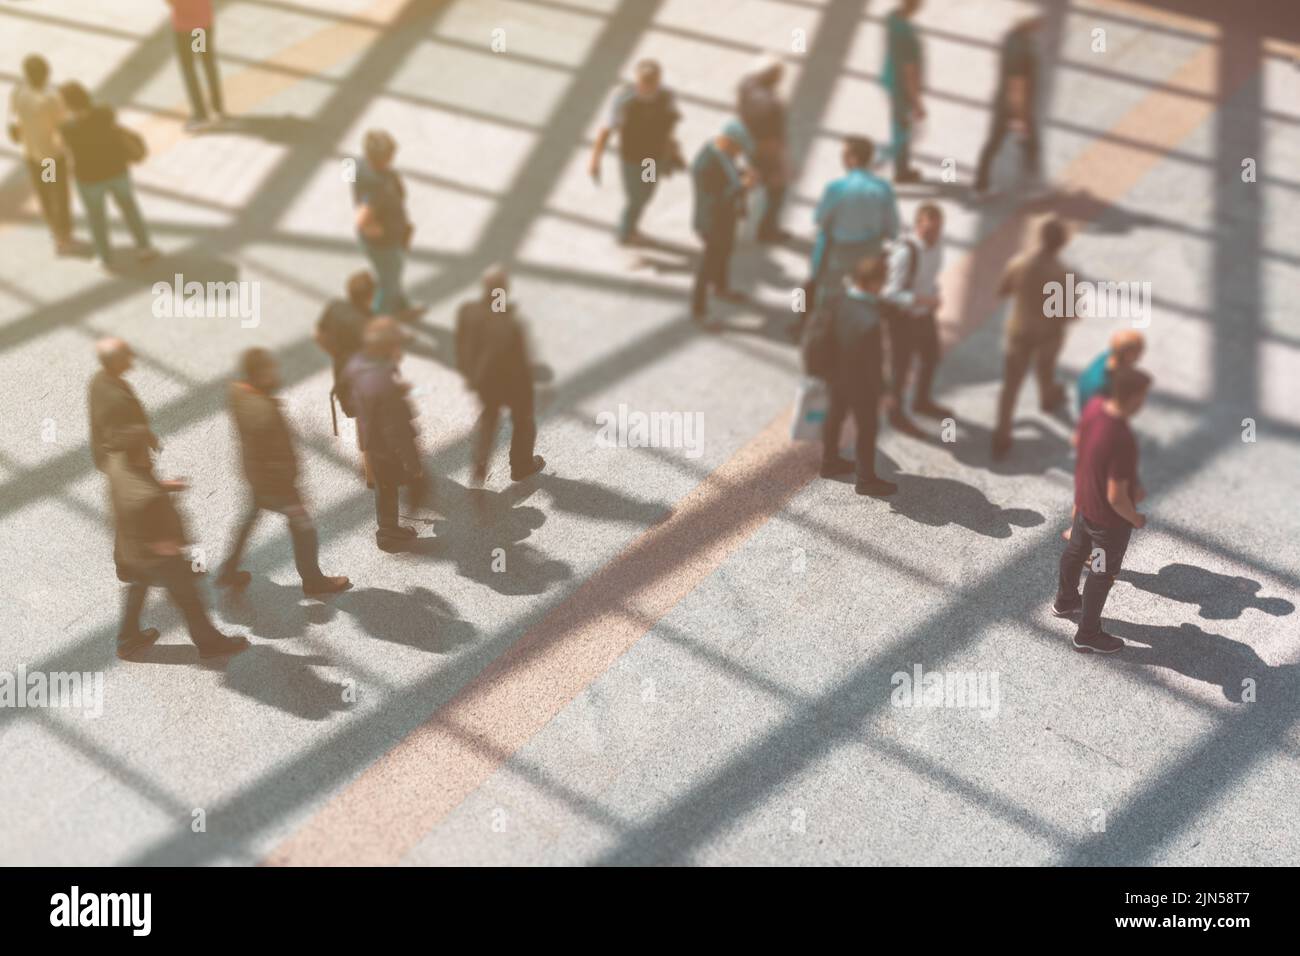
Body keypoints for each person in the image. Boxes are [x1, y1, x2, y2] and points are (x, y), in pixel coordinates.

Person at [216, 349, 351, 597]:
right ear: (259, 374)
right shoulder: (266, 411)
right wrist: (292, 490)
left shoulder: (235, 391)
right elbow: (280, 457)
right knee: (304, 528)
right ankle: (313, 581)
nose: (275, 374)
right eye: (270, 370)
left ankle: (229, 568)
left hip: (253, 473)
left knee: (249, 518)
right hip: (277, 486)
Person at [108, 425, 248, 661]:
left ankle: (127, 638)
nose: (151, 455)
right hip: (157, 558)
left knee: (138, 585)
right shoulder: (149, 498)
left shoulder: (117, 465)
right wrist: (181, 555)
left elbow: (134, 493)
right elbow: (162, 542)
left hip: (128, 548)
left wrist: (164, 487)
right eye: (147, 451)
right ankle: (209, 643)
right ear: (138, 452)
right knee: (189, 599)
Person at [1053, 367, 1152, 654]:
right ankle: (1087, 633)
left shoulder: (1095, 407)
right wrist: (1135, 518)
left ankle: (1065, 600)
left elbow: (1078, 443)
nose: (1143, 403)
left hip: (1085, 503)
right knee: (1100, 573)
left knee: (1075, 551)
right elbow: (1116, 496)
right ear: (1132, 397)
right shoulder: (1122, 437)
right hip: (1108, 524)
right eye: (1143, 397)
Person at [991, 216, 1074, 459]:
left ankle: (1002, 432)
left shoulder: (1019, 263)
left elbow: (1003, 290)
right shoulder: (1063, 274)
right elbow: (1070, 314)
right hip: (1048, 334)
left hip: (1020, 331)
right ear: (1062, 243)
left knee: (1011, 384)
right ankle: (1048, 398)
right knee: (1045, 369)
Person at [455, 265, 546, 484]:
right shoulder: (508, 325)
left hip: (484, 381)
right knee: (523, 420)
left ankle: (480, 463)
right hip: (513, 383)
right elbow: (519, 359)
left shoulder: (468, 311)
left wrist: (469, 374)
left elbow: (461, 346)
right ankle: (521, 465)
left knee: (489, 417)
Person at [820, 256, 898, 497]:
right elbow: (873, 364)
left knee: (835, 416)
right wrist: (884, 392)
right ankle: (865, 480)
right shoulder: (870, 320)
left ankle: (829, 462)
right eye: (881, 282)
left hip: (834, 373)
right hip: (861, 384)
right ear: (872, 283)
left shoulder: (836, 300)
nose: (882, 287)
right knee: (867, 428)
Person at [58, 81, 157, 270]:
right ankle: (145, 247)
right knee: (129, 208)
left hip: (89, 179)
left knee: (96, 217)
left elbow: (63, 151)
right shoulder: (105, 113)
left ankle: (105, 257)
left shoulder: (67, 128)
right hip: (117, 171)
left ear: (68, 105)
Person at [344, 317, 423, 549]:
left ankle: (388, 529)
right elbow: (398, 432)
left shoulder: (358, 364)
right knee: (388, 486)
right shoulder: (383, 384)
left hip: (371, 435)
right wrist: (413, 464)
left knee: (383, 485)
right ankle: (388, 534)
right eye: (397, 344)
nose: (401, 350)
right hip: (385, 446)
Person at [588, 59, 682, 246]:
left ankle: (631, 227)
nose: (647, 86)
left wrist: (672, 150)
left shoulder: (667, 97)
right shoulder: (625, 101)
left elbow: (669, 126)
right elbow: (607, 130)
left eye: (652, 81)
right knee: (635, 196)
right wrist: (595, 160)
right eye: (643, 82)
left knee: (646, 193)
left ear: (658, 80)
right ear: (637, 81)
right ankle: (625, 232)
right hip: (631, 158)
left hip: (651, 158)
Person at [89, 338, 159, 583]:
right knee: (147, 507)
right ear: (116, 361)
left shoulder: (100, 380)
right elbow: (115, 437)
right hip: (128, 462)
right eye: (127, 355)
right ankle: (145, 561)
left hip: (123, 460)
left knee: (132, 511)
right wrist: (143, 433)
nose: (132, 358)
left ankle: (126, 564)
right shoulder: (112, 396)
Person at [808, 137, 900, 314]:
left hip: (841, 250)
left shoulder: (836, 188)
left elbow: (819, 219)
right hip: (871, 248)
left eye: (844, 155)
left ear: (853, 159)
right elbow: (892, 227)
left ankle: (825, 327)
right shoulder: (883, 188)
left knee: (829, 293)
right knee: (867, 295)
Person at [882, 202, 951, 432]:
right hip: (904, 317)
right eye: (928, 229)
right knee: (900, 368)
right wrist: (922, 300)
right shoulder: (905, 252)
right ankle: (895, 414)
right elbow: (890, 293)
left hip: (924, 314)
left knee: (931, 357)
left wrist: (933, 295)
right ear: (918, 225)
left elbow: (929, 278)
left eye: (937, 229)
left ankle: (921, 401)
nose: (933, 234)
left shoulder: (938, 246)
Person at [6, 55, 73, 253]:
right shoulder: (51, 98)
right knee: (57, 193)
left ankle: (55, 230)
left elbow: (13, 121)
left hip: (31, 154)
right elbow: (63, 126)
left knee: (44, 193)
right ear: (46, 74)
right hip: (50, 158)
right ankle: (62, 234)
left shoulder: (18, 91)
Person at [690, 120, 755, 323]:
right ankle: (698, 310)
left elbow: (729, 175)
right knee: (708, 265)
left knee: (725, 252)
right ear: (727, 141)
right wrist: (743, 187)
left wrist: (742, 175)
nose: (740, 153)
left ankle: (721, 288)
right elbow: (716, 200)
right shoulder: (704, 165)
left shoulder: (725, 155)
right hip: (712, 221)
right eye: (738, 148)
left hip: (727, 217)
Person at [974, 16, 1045, 198]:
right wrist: (1020, 118)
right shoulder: (1019, 49)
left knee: (995, 143)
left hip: (1004, 103)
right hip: (1014, 107)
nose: (1040, 24)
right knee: (1028, 144)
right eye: (1035, 21)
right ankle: (1033, 186)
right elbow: (1017, 86)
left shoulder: (1012, 38)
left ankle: (980, 186)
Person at [352, 130, 416, 319]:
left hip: (388, 237)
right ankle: (379, 319)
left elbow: (350, 178)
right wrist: (382, 232)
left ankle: (401, 305)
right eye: (390, 155)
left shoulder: (359, 164)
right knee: (388, 280)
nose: (393, 158)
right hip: (384, 244)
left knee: (392, 274)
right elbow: (362, 220)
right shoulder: (377, 185)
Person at [737, 54, 791, 242]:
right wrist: (780, 164)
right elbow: (775, 139)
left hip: (747, 143)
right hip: (766, 152)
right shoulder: (773, 105)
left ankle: (734, 205)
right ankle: (767, 230)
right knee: (777, 189)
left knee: (750, 178)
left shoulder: (745, 85)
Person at [315, 269, 375, 425]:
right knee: (369, 413)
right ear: (369, 296)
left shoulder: (335, 306)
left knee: (359, 409)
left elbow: (318, 335)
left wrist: (336, 353)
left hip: (342, 370)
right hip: (365, 377)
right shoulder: (367, 320)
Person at [881, 0, 925, 183]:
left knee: (898, 124)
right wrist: (917, 103)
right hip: (902, 89)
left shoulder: (891, 18)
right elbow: (909, 73)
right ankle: (902, 171)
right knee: (902, 129)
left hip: (891, 79)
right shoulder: (907, 35)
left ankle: (901, 167)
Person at [165, 0, 225, 131]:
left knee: (189, 68)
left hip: (185, 27)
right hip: (202, 22)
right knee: (206, 63)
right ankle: (217, 106)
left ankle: (201, 113)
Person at [1077, 329, 1145, 413]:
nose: (1140, 358)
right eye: (1138, 353)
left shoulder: (1109, 355)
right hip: (1094, 412)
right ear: (1128, 354)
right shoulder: (1112, 379)